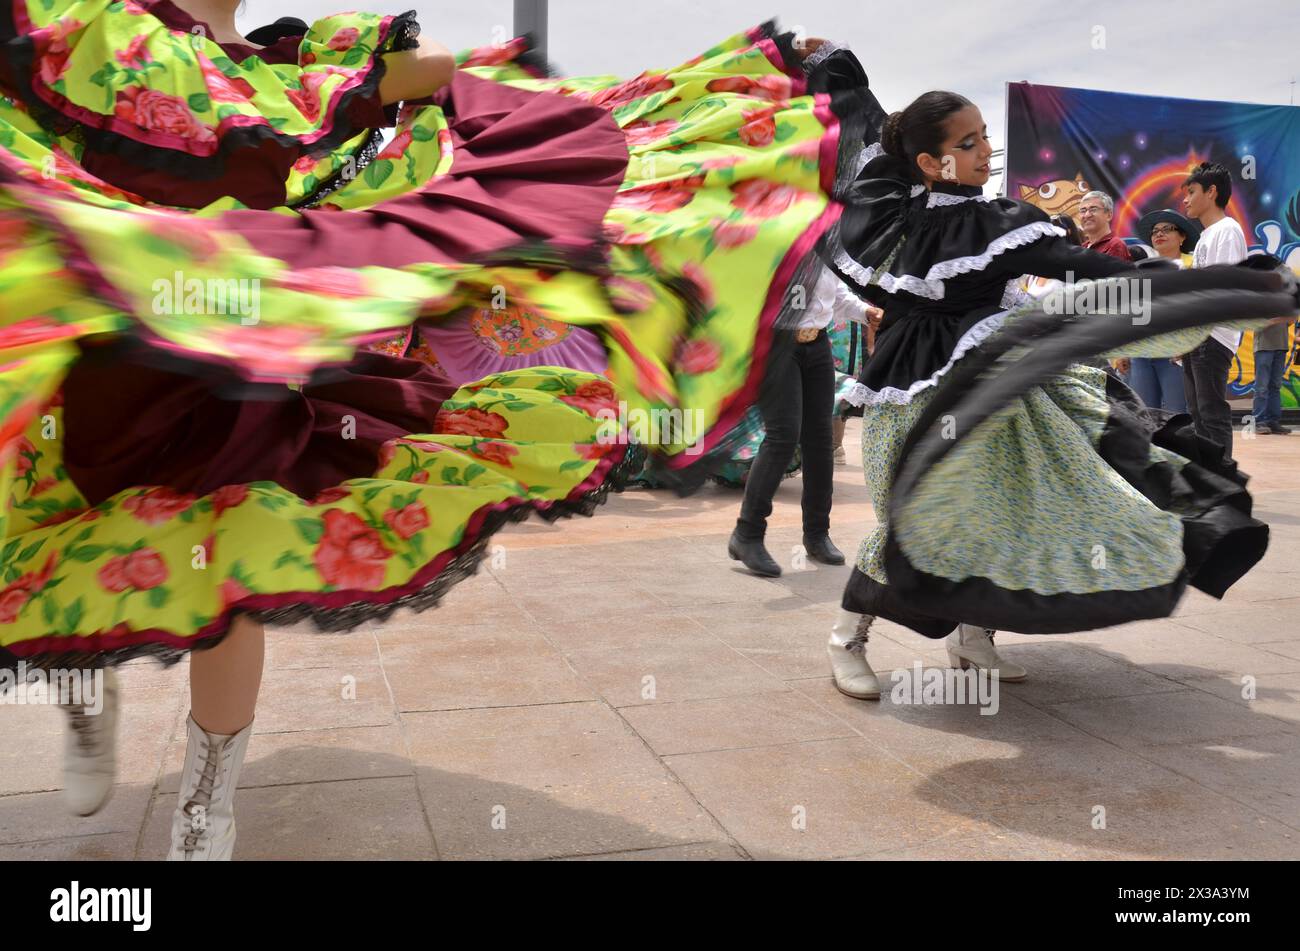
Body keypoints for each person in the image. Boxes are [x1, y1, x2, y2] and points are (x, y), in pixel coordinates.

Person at [0, 3, 870, 858]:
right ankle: (84, 690)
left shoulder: (299, 60)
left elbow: (443, 75)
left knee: (228, 570)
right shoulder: (87, 29)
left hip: (240, 362)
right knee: (57, 545)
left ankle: (205, 802)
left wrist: (371, 76)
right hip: (84, 346)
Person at [816, 86, 1297, 701]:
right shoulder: (892, 212)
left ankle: (972, 634)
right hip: (917, 383)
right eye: (969, 143)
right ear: (932, 163)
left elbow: (1093, 270)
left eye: (985, 134)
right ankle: (847, 638)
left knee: (1013, 500)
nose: (987, 149)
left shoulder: (999, 222)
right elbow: (878, 133)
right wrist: (836, 71)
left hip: (1004, 375)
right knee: (920, 510)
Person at [729, 265, 853, 576]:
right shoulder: (774, 232)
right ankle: (747, 534)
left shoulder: (829, 241)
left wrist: (868, 312)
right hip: (776, 345)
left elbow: (837, 296)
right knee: (783, 435)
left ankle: (816, 535)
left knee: (820, 440)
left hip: (817, 345)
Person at [1183, 161, 1249, 460]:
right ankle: (1207, 482)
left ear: (1212, 192)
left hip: (1212, 337)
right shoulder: (1205, 237)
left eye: (1192, 191)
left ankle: (1224, 486)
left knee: (1212, 413)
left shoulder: (1228, 230)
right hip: (1195, 337)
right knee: (1198, 414)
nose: (1186, 199)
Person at [1116, 209, 1201, 412]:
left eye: (1167, 229)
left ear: (1182, 237)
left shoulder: (1193, 268)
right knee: (1146, 418)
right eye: (1155, 231)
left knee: (1178, 417)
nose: (1159, 234)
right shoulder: (1142, 269)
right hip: (1141, 354)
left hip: (1174, 354)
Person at [1253, 318, 1294, 435]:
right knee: (1262, 386)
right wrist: (1277, 319)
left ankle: (1273, 421)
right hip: (1263, 346)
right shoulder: (1259, 300)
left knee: (1275, 386)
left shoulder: (1285, 301)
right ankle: (1259, 421)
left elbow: (1291, 320)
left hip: (1281, 345)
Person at [1078, 191, 1132, 262]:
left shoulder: (1115, 246)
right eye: (1083, 211)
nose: (1087, 215)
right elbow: (1070, 273)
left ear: (1109, 215)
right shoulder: (1081, 248)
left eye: (1093, 209)